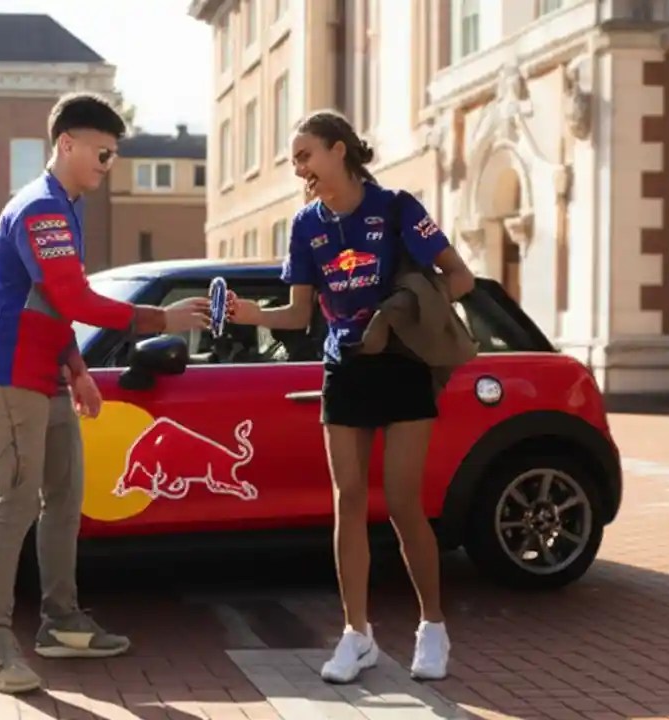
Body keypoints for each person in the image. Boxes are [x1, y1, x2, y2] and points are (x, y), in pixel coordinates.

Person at [0, 92, 210, 694]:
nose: (109, 165)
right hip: (9, 377)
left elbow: (51, 305)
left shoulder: (66, 208)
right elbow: (75, 300)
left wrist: (76, 368)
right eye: (102, 152)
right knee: (16, 503)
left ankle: (61, 622)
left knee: (65, 497)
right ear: (66, 144)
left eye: (114, 155)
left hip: (46, 374)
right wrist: (163, 320)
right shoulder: (41, 210)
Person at [227, 109, 475, 683]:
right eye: (294, 162)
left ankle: (432, 628)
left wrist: (405, 306)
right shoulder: (305, 226)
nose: (300, 171)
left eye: (306, 156)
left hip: (404, 365)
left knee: (405, 500)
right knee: (349, 500)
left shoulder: (396, 209)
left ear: (339, 151)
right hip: (345, 368)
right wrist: (248, 312)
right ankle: (355, 635)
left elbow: (460, 278)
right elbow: (295, 313)